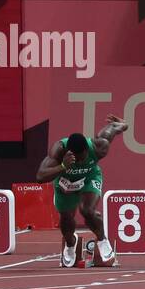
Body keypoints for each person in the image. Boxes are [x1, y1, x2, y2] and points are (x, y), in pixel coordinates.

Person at [34, 114, 129, 267]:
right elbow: (40, 176)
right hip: (65, 182)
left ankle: (103, 240)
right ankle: (71, 244)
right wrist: (63, 166)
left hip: (89, 178)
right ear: (68, 152)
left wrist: (123, 124)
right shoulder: (58, 150)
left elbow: (114, 128)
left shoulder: (99, 146)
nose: (78, 161)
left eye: (81, 157)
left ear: (87, 149)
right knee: (66, 217)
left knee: (87, 210)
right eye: (75, 158)